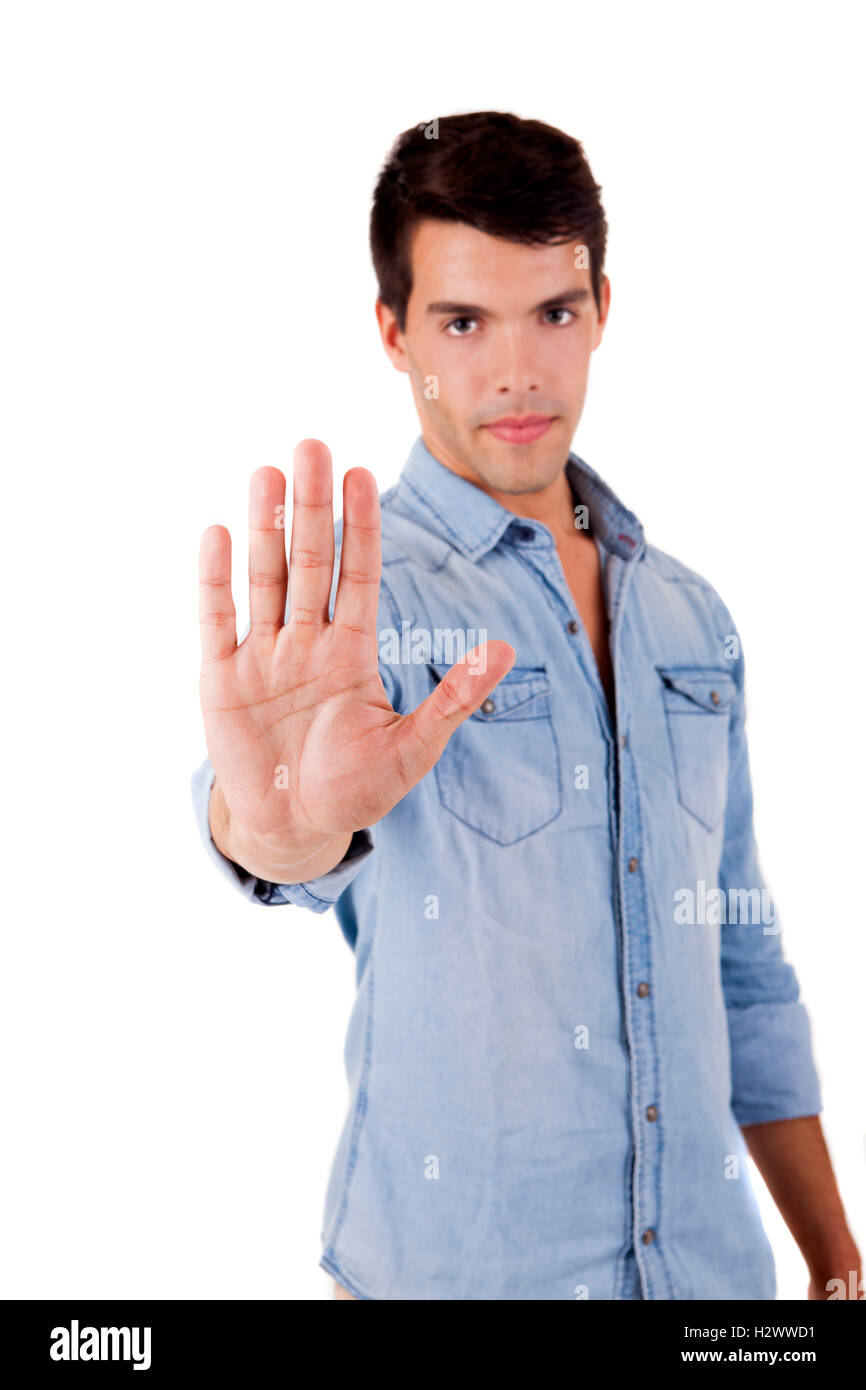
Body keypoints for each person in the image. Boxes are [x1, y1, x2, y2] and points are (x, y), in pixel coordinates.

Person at [191, 112, 859, 1301]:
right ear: (393, 334)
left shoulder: (688, 618)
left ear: (601, 308)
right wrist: (281, 819)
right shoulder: (361, 607)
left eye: (551, 312)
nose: (514, 371)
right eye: (462, 321)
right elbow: (272, 835)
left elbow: (739, 960)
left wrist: (830, 1252)